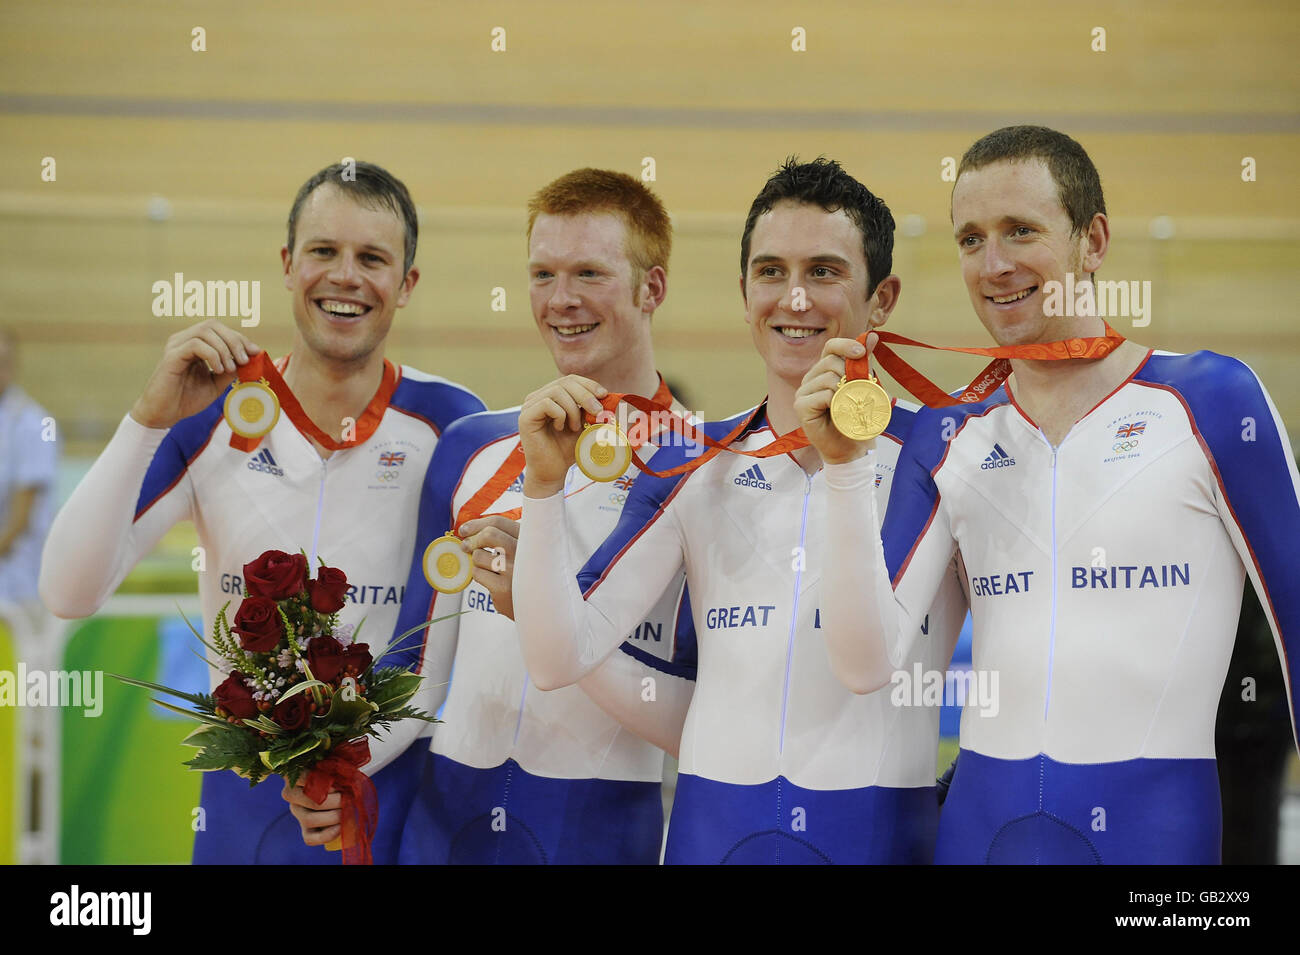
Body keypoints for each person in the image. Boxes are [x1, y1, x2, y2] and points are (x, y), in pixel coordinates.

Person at [808, 125, 1300, 864]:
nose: (995, 263)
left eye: (1020, 231)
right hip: (980, 835)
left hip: (1155, 842)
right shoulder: (950, 435)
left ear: (1092, 240)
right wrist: (844, 470)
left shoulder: (1210, 401)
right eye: (970, 239)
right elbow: (863, 662)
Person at [512, 158, 965, 864]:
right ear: (744, 289)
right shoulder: (694, 461)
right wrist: (542, 487)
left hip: (874, 840)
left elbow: (866, 662)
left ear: (882, 300)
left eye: (824, 271)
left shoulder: (941, 452)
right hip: (707, 838)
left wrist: (846, 465)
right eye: (770, 271)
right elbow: (554, 655)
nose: (794, 298)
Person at [38, 161, 484, 864]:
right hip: (244, 811)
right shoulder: (209, 411)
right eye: (323, 251)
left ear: (407, 284)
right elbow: (66, 589)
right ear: (286, 265)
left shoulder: (452, 425)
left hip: (392, 797)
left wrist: (342, 771)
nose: (345, 276)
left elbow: (431, 654)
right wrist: (147, 420)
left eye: (372, 258)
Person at [289, 168, 697, 863]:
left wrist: (545, 615)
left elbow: (704, 719)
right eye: (542, 274)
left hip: (593, 832)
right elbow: (415, 669)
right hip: (444, 825)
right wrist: (335, 764)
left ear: (651, 288)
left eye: (589, 273)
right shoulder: (472, 446)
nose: (561, 300)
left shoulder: (701, 467)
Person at [0, 329, 59, 631]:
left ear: (11, 366)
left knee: (24, 672)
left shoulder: (34, 424)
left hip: (21, 583)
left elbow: (20, 520)